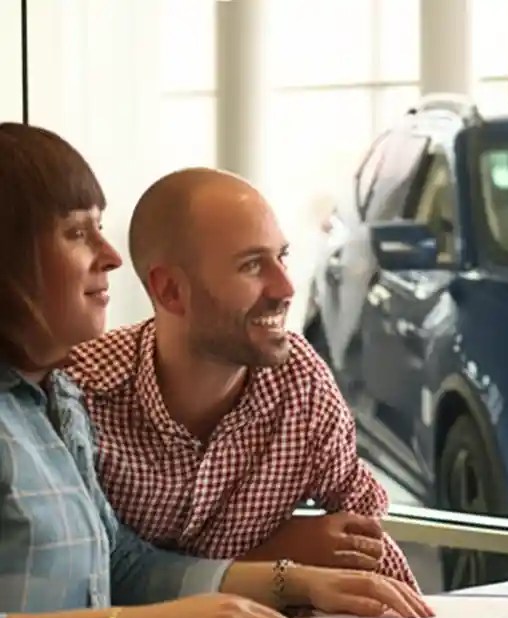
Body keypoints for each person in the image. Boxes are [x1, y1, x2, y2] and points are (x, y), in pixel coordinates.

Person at [0, 123, 432, 618]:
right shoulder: (85, 385)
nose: (109, 256)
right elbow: (126, 607)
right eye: (78, 233)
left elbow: (123, 565)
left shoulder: (52, 401)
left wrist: (295, 582)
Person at [62, 167, 419, 589]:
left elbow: (364, 536)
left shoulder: (298, 383)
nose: (286, 287)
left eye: (281, 257)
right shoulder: (79, 394)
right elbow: (91, 586)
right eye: (252, 266)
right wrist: (276, 555)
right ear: (171, 291)